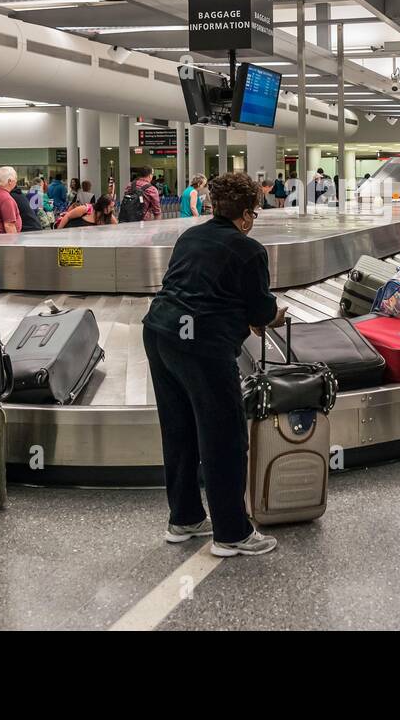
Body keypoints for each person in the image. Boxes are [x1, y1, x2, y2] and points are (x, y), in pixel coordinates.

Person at [142, 173, 288, 557]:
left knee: (180, 429)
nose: (253, 219)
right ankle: (231, 533)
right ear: (243, 215)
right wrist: (274, 315)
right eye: (253, 212)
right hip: (201, 346)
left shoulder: (191, 236)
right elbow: (261, 311)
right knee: (224, 436)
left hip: (159, 332)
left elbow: (195, 287)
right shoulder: (249, 250)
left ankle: (185, 518)